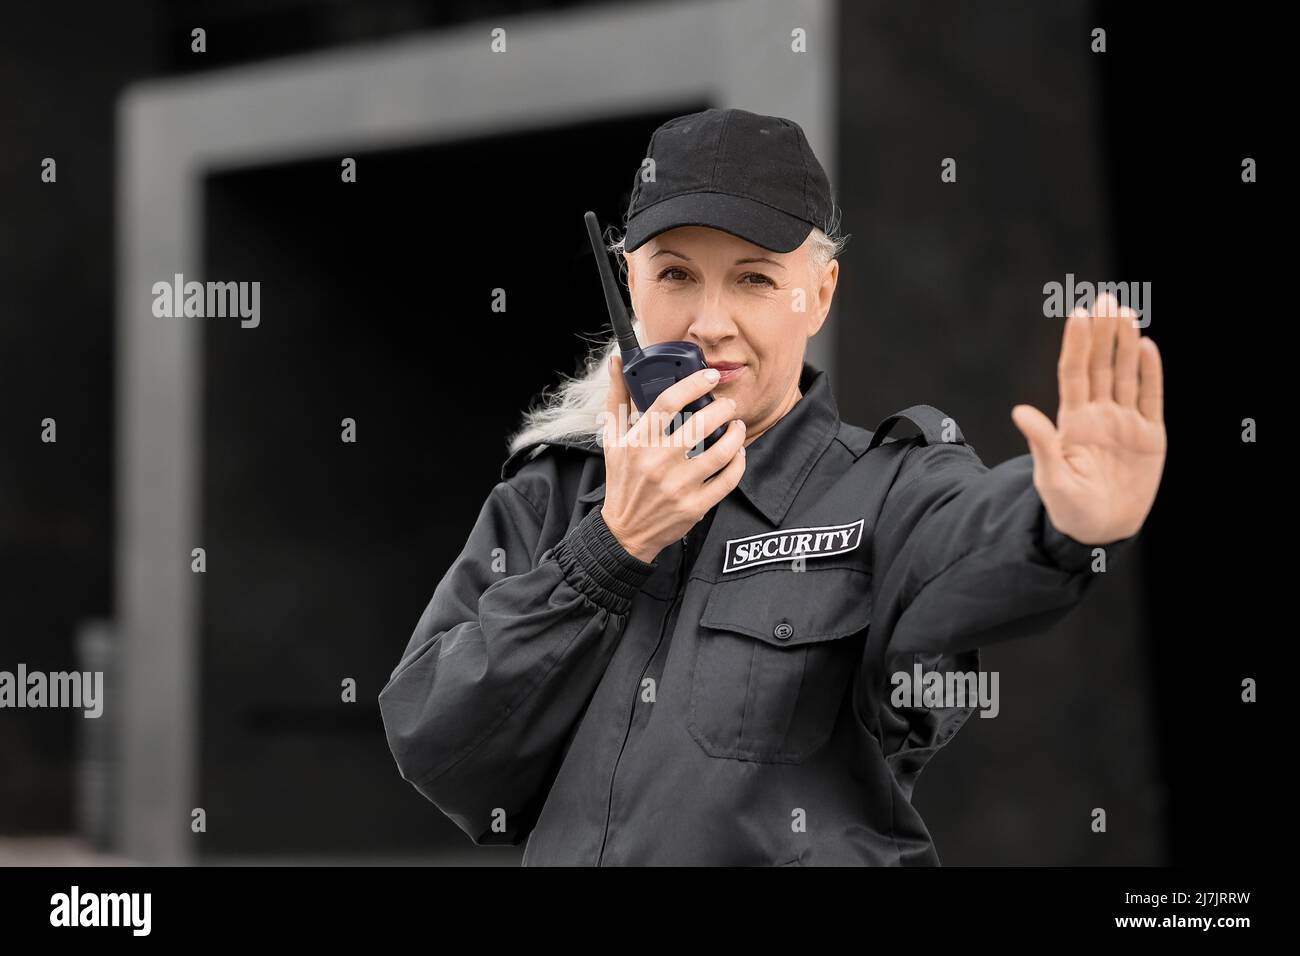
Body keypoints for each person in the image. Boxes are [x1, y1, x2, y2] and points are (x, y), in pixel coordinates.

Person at [377, 107, 1166, 865]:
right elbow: (441, 748)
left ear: (817, 294)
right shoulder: (549, 497)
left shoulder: (887, 487)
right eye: (676, 273)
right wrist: (611, 548)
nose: (709, 322)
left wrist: (1063, 520)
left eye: (755, 279)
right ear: (627, 283)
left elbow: (965, 541)